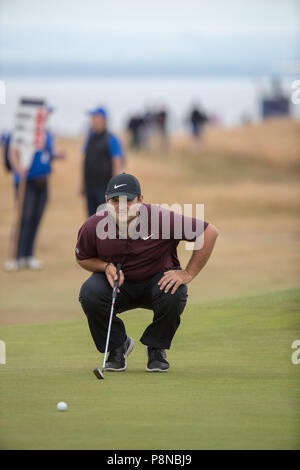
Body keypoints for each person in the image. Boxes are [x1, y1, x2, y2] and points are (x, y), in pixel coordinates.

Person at [75, 172, 219, 373]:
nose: (121, 206)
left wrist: (187, 273)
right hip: (119, 287)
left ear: (141, 200)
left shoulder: (161, 218)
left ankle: (156, 348)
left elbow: (209, 232)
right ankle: (118, 346)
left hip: (157, 283)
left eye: (128, 200)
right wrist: (105, 267)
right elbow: (83, 257)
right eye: (115, 200)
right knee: (90, 293)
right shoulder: (93, 226)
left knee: (175, 291)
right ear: (106, 201)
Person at [4, 107, 64, 272]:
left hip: (42, 179)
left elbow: (46, 154)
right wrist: (18, 168)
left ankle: (28, 255)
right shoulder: (24, 131)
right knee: (25, 217)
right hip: (26, 180)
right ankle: (15, 256)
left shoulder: (47, 133)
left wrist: (57, 156)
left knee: (36, 217)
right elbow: (12, 151)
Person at [81, 107, 124, 217]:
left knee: (105, 222)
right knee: (91, 220)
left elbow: (117, 163)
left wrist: (115, 189)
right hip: (90, 187)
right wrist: (83, 184)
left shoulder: (111, 139)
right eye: (92, 117)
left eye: (95, 117)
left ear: (103, 119)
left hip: (105, 189)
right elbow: (86, 161)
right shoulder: (90, 138)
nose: (92, 120)